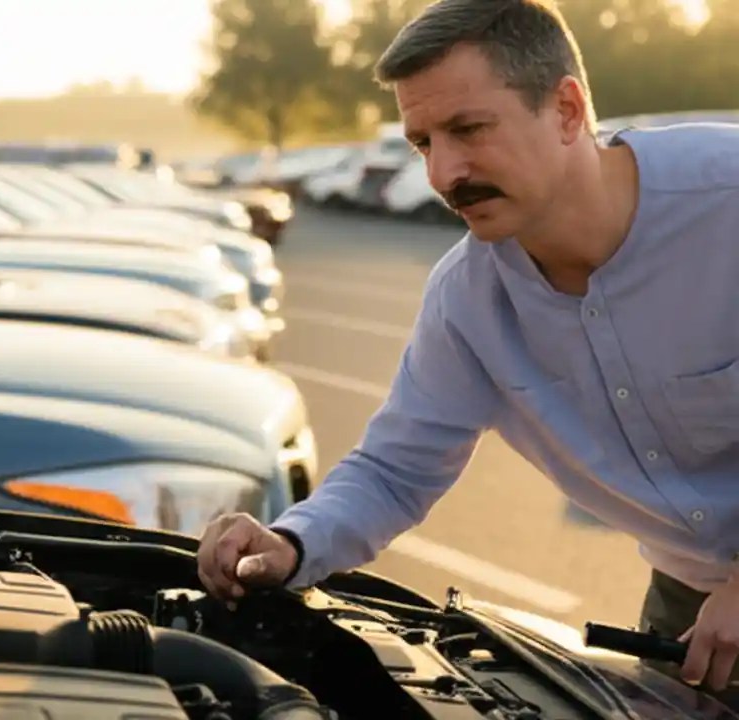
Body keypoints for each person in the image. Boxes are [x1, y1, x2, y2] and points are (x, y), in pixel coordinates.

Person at [195, 0, 739, 706]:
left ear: (568, 110)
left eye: (468, 129)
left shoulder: (727, 203)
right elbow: (395, 471)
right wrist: (291, 544)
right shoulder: (468, 299)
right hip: (691, 608)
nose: (446, 174)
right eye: (422, 143)